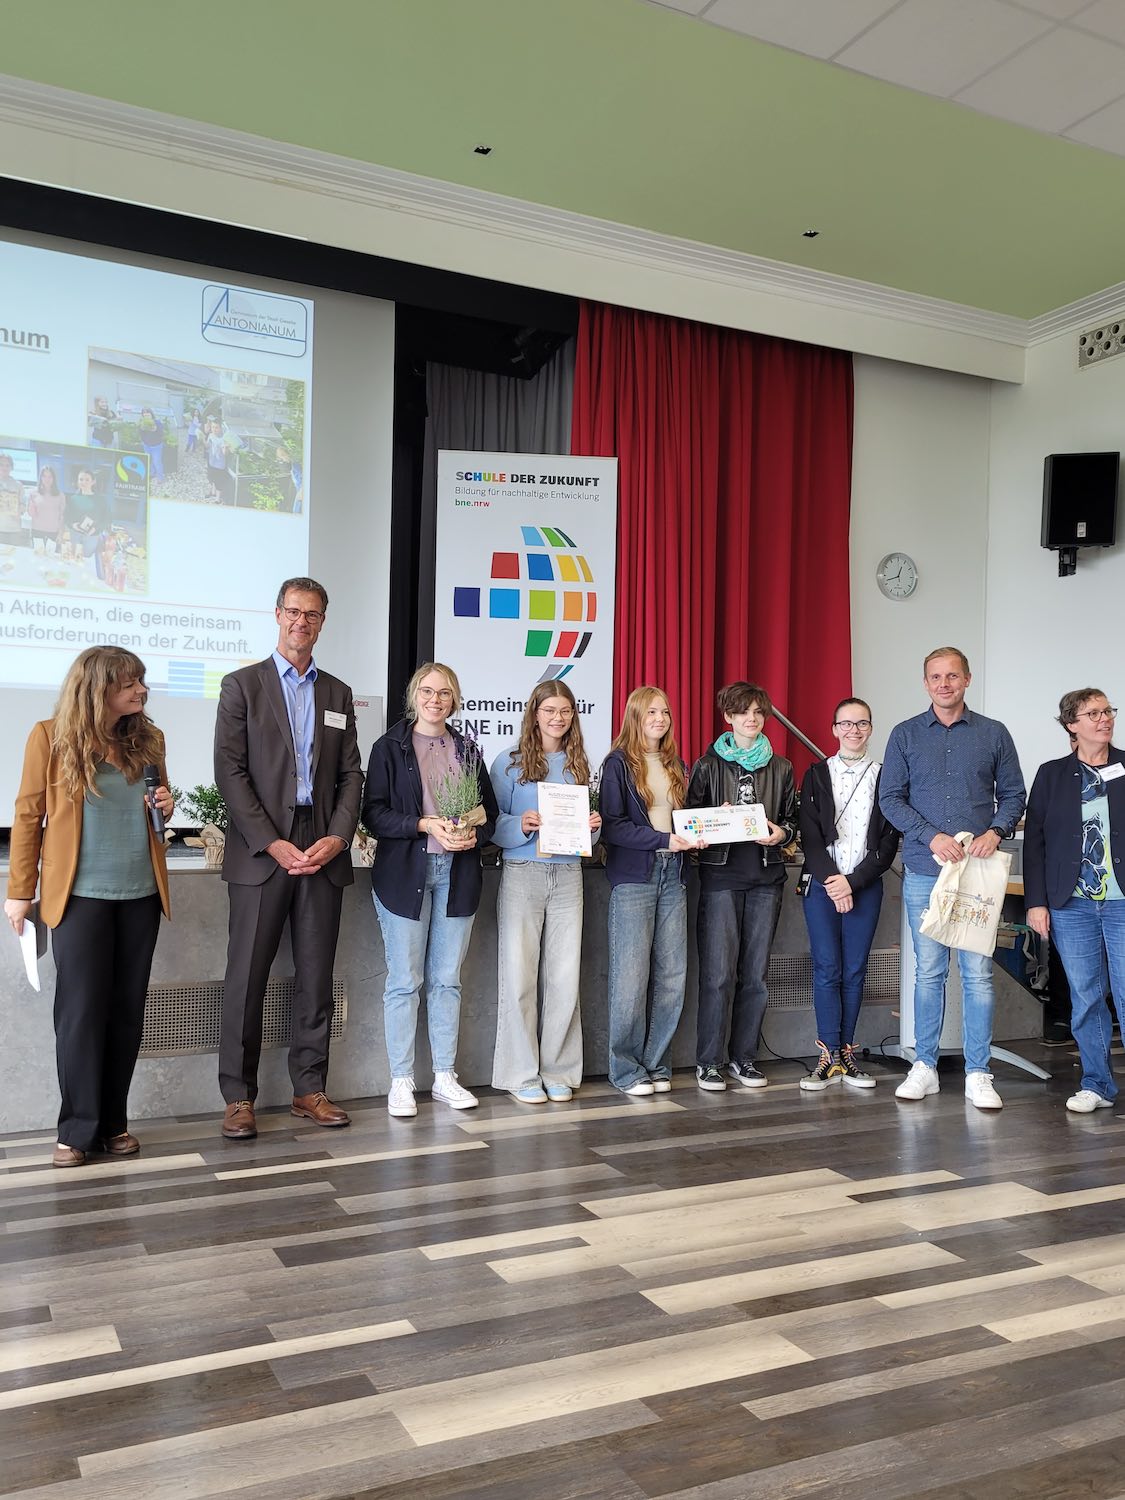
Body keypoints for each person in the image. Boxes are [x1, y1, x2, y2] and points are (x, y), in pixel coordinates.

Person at [4, 648, 173, 1167]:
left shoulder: (149, 739)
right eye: (131, 683)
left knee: (125, 1015)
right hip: (78, 899)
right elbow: (29, 816)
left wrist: (165, 806)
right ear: (97, 686)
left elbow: (155, 811)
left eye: (142, 682)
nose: (142, 690)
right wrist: (18, 892)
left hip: (141, 895)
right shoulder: (49, 736)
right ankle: (76, 1130)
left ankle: (113, 1125)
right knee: (79, 1016)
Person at [214, 577, 362, 1139]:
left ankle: (308, 1088)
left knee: (316, 977)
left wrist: (339, 837)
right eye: (294, 612)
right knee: (246, 977)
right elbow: (229, 771)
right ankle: (238, 1096)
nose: (302, 622)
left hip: (321, 844)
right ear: (277, 615)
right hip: (262, 848)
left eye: (313, 614)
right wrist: (270, 841)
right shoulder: (242, 686)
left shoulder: (338, 694)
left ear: (323, 621)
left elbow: (351, 774)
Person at [880, 646, 1026, 1110]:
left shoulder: (994, 734)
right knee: (928, 973)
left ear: (967, 679)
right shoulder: (904, 735)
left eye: (952, 676)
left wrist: (995, 831)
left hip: (978, 873)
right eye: (935, 677)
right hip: (926, 869)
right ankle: (924, 1066)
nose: (944, 684)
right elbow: (891, 799)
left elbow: (1015, 796)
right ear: (926, 683)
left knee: (978, 973)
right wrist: (932, 836)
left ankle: (978, 1072)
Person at [362, 662, 498, 1117]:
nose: (435, 699)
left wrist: (472, 832)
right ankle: (401, 1080)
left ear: (454, 699)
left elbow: (490, 815)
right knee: (404, 982)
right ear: (413, 696)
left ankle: (444, 1076)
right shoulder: (388, 748)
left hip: (458, 876)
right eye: (427, 690)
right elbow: (374, 815)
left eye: (444, 692)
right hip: (405, 877)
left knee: (447, 980)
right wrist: (422, 824)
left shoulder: (468, 748)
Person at [489, 680, 601, 1103]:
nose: (558, 718)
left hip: (569, 875)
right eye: (550, 710)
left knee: (564, 977)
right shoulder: (509, 763)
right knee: (519, 976)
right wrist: (520, 824)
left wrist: (594, 826)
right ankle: (521, 1074)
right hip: (523, 872)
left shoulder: (577, 764)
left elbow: (586, 822)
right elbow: (491, 824)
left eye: (566, 711)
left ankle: (558, 1070)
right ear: (534, 713)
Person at [688, 681, 796, 1091]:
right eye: (743, 712)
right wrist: (716, 817)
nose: (751, 719)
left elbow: (792, 824)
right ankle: (709, 1062)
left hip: (766, 877)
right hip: (720, 877)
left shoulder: (782, 767)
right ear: (728, 718)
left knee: (755, 976)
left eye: (758, 712)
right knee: (717, 975)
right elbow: (689, 820)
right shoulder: (707, 764)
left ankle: (744, 1058)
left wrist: (779, 834)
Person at [1025, 688, 1125, 1113]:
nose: (1104, 719)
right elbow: (1035, 843)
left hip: (1122, 902)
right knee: (1085, 997)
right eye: (1093, 713)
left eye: (1108, 711)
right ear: (1072, 724)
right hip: (1072, 903)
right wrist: (1036, 902)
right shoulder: (1051, 774)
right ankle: (1097, 1084)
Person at [797, 698, 899, 1091]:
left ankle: (847, 1056)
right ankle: (826, 1055)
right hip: (822, 886)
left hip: (866, 885)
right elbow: (809, 835)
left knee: (855, 970)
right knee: (827, 968)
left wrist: (852, 883)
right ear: (834, 729)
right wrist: (832, 881)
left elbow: (888, 842)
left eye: (862, 724)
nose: (854, 730)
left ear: (870, 729)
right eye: (846, 724)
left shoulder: (886, 776)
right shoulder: (816, 774)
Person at [600, 686, 697, 1095]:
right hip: (634, 878)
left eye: (665, 712)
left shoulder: (677, 763)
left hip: (675, 875)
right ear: (635, 716)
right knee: (630, 978)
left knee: (673, 976)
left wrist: (707, 825)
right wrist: (662, 840)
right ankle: (625, 1070)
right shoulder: (618, 763)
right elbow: (612, 825)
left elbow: (687, 818)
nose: (660, 718)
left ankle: (656, 1065)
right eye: (651, 712)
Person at [65, 468, 110, 575]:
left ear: (93, 481)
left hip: (92, 537)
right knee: (74, 563)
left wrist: (95, 529)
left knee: (86, 565)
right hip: (75, 535)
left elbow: (107, 519)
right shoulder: (73, 499)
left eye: (87, 479)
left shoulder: (100, 500)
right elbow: (67, 518)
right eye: (81, 479)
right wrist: (73, 525)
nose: (83, 482)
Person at [28, 465, 66, 554]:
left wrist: (61, 534)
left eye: (50, 476)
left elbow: (62, 516)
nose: (47, 479)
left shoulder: (60, 495)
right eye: (44, 476)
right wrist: (31, 505)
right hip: (37, 531)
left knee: (52, 560)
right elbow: (31, 514)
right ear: (40, 478)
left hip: (53, 533)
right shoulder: (33, 493)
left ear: (54, 479)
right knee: (37, 558)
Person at [0, 451, 24, 547]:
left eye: (7, 465)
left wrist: (19, 512)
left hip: (14, 530)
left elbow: (23, 505)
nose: (4, 468)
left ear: (11, 467)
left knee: (14, 559)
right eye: (1, 464)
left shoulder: (18, 485)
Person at [138, 407, 165, 482]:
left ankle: (160, 477)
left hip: (156, 446)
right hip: (146, 445)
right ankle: (151, 474)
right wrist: (141, 430)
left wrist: (156, 430)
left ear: (151, 414)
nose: (146, 414)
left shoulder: (157, 422)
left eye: (148, 413)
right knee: (149, 460)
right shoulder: (142, 423)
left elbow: (162, 434)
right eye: (144, 413)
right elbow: (140, 434)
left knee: (157, 461)